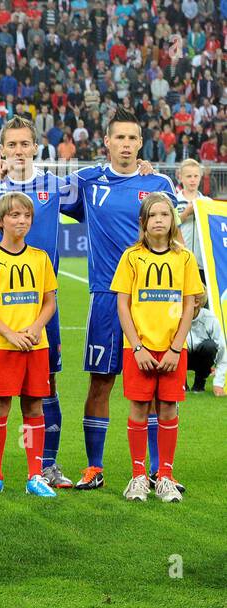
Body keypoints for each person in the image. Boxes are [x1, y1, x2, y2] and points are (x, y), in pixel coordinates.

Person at [63, 109, 181, 491]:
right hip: (105, 297)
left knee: (153, 386)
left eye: (133, 138)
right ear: (107, 142)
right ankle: (94, 468)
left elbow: (175, 237)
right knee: (100, 382)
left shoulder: (158, 182)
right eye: (120, 138)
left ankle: (155, 472)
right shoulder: (87, 181)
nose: (126, 145)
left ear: (140, 143)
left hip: (151, 303)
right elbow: (39, 191)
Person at [0, 116, 71, 488]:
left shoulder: (57, 186)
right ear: (2, 149)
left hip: (41, 309)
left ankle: (45, 465)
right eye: (12, 145)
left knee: (44, 388)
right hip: (0, 315)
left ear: (35, 147)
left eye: (25, 144)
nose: (19, 151)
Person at [111, 193, 201, 503]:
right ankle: (138, 476)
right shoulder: (132, 257)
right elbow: (123, 305)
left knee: (168, 408)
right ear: (144, 222)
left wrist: (176, 348)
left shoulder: (185, 258)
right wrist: (137, 347)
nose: (160, 219)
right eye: (153, 215)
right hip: (139, 349)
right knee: (138, 408)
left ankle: (164, 476)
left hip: (172, 349)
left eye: (165, 214)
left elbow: (190, 304)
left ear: (174, 220)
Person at [0, 192, 59, 497]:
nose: (21, 221)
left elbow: (49, 302)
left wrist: (34, 328)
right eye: (15, 216)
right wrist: (10, 333)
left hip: (35, 344)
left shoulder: (40, 258)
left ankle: (35, 475)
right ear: (0, 221)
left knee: (34, 406)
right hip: (2, 345)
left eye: (26, 216)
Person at [185, 293, 225, 394]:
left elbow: (222, 352)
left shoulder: (210, 319)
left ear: (196, 303)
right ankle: (181, 384)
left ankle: (199, 383)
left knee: (210, 346)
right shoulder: (174, 315)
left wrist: (219, 384)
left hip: (201, 359)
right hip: (181, 357)